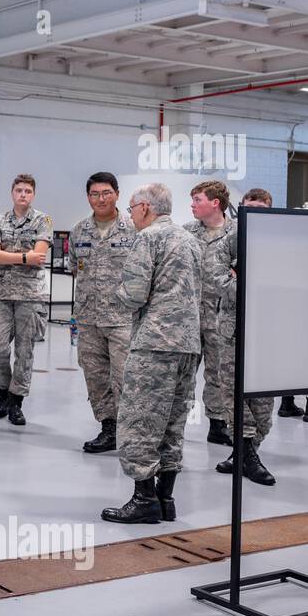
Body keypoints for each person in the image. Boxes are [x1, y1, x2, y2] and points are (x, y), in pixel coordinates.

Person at [102, 183, 202, 524]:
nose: (130, 215)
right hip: (188, 343)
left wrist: (116, 290)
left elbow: (133, 294)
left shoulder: (148, 239)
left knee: (140, 420)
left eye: (131, 209)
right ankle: (166, 498)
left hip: (155, 343)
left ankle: (144, 499)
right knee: (173, 422)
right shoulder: (190, 239)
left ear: (145, 207)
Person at [66, 172, 136, 452]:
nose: (100, 199)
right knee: (95, 376)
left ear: (117, 194)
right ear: (88, 197)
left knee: (125, 377)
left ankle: (131, 433)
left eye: (106, 193)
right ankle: (109, 428)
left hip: (123, 319)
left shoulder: (134, 229)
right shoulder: (79, 230)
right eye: (94, 194)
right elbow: (74, 267)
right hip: (88, 318)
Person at [211, 190, 276, 486]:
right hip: (231, 332)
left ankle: (246, 451)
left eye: (261, 209)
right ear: (241, 210)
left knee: (263, 404)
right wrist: (254, 284)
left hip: (267, 332)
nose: (254, 214)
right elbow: (217, 280)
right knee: (233, 393)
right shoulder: (229, 239)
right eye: (249, 208)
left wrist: (243, 276)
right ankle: (248, 455)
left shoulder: (280, 243)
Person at [0, 174, 52, 426]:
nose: (23, 194)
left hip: (30, 295)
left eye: (27, 191)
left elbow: (40, 254)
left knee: (25, 351)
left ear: (33, 194)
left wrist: (8, 255)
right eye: (19, 190)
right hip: (1, 295)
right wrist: (24, 258)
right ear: (12, 192)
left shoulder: (43, 220)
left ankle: (16, 401)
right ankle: (3, 391)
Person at [184, 180, 236, 446]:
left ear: (215, 203)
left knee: (219, 372)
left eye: (197, 200)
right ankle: (174, 423)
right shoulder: (186, 233)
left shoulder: (238, 233)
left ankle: (218, 424)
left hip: (221, 317)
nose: (192, 205)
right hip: (188, 316)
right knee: (182, 373)